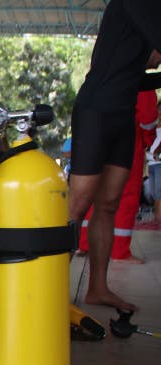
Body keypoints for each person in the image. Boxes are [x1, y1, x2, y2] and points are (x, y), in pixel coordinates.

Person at [67, 0, 161, 311]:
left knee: (107, 205)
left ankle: (97, 288)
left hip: (123, 113)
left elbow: (139, 73)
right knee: (78, 204)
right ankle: (48, 286)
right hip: (95, 110)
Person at [78, 90, 158, 263]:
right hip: (129, 141)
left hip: (96, 139)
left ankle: (84, 244)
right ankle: (120, 251)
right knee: (126, 196)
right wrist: (150, 141)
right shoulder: (139, 82)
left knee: (95, 194)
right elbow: (148, 119)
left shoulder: (103, 74)